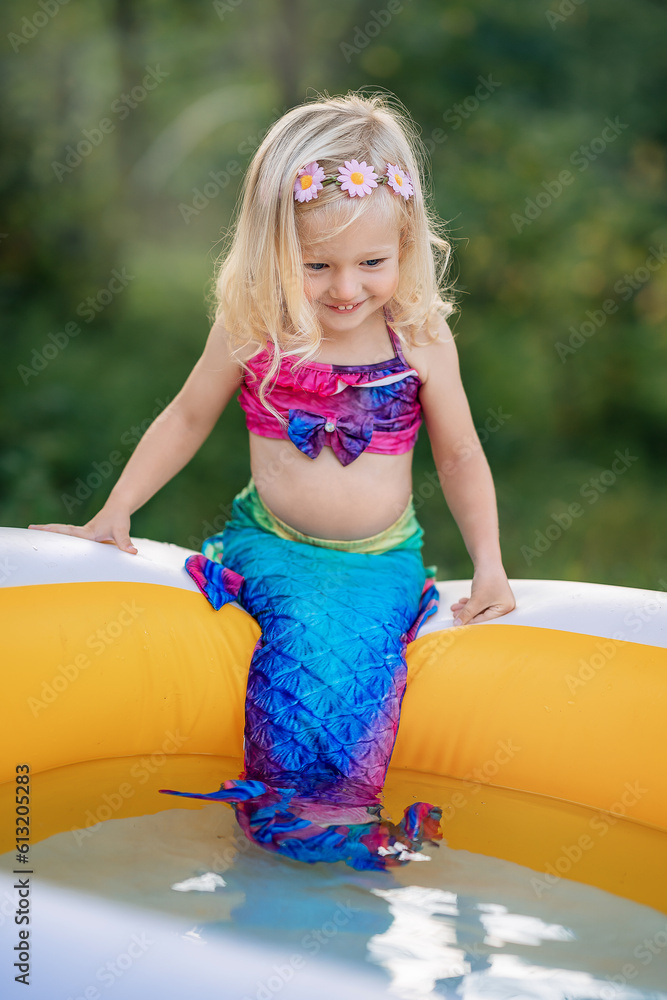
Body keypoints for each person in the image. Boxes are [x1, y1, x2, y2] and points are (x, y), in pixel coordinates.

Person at [29, 92, 515, 870]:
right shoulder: (256, 327)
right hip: (271, 542)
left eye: (371, 263)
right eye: (316, 265)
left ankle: (331, 826)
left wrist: (488, 563)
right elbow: (186, 416)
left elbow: (458, 456)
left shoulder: (419, 337)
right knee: (296, 646)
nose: (345, 289)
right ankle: (282, 829)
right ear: (272, 251)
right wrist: (114, 511)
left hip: (377, 561)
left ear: (405, 245)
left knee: (356, 669)